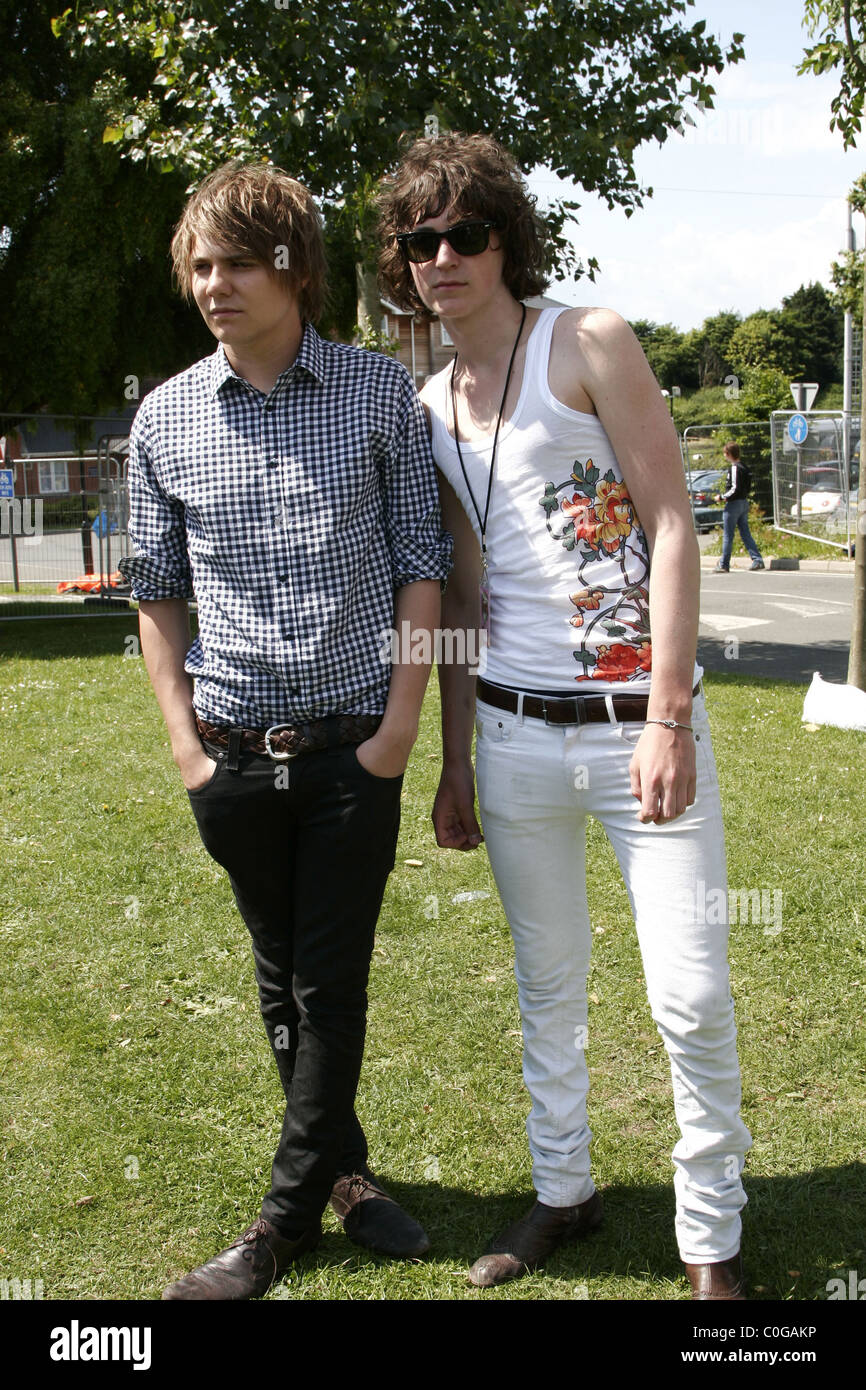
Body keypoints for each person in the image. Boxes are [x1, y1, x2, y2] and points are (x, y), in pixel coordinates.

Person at [377, 132, 752, 1300]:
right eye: (417, 239)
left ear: (502, 240)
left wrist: (668, 716)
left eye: (463, 234)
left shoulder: (587, 341)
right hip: (512, 737)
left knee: (686, 994)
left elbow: (674, 522)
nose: (441, 257)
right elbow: (465, 588)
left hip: (635, 725)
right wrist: (453, 761)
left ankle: (711, 1243)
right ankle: (561, 1190)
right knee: (547, 987)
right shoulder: (427, 401)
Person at [119, 161, 452, 1300]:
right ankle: (348, 1176)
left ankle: (277, 1223)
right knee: (279, 978)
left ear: (293, 268)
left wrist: (399, 729)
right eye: (200, 264)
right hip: (229, 749)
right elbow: (154, 588)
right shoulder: (163, 415)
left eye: (237, 262)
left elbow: (423, 566)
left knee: (327, 982)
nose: (214, 283)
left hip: (352, 741)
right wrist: (182, 742)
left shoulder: (376, 397)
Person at [714, 441, 765, 572]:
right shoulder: (745, 467)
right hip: (743, 502)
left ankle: (724, 564)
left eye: (725, 454)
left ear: (729, 454)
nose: (725, 456)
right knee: (745, 532)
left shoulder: (735, 468)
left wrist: (722, 497)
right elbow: (746, 487)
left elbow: (734, 488)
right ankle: (757, 559)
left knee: (728, 535)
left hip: (733, 504)